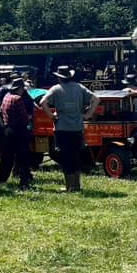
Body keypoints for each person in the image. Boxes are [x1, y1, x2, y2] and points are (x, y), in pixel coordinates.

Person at [41, 65, 99, 193]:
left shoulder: (56, 89)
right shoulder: (79, 87)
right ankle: (77, 185)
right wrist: (88, 115)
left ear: (59, 78)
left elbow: (43, 102)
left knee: (66, 157)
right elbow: (96, 99)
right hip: (77, 128)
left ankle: (69, 187)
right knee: (76, 156)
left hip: (62, 128)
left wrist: (52, 116)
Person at [1, 78, 34, 191]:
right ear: (19, 89)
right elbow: (24, 117)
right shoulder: (18, 99)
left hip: (8, 130)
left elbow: (1, 111)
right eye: (22, 89)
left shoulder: (6, 97)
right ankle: (24, 183)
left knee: (9, 156)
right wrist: (30, 118)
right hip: (19, 130)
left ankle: (4, 178)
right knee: (23, 157)